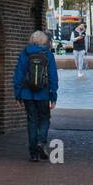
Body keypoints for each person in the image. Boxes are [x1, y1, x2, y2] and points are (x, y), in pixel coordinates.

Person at [13, 29, 59, 161]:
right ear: (44, 41)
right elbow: (53, 77)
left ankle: (33, 154)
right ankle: (41, 142)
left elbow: (18, 75)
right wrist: (53, 96)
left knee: (32, 121)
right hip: (43, 94)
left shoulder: (25, 53)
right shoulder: (48, 55)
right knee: (44, 119)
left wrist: (17, 95)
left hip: (27, 94)